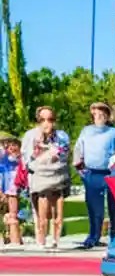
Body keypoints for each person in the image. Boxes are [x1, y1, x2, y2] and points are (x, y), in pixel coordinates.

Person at [73, 102, 115, 249]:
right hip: (92, 173)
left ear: (108, 115)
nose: (98, 115)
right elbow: (79, 148)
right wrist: (79, 166)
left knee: (114, 208)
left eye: (102, 112)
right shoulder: (86, 131)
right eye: (95, 113)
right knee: (94, 208)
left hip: (112, 174)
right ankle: (93, 236)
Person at [21, 106, 71, 250]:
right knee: (40, 212)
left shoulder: (61, 136)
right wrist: (37, 154)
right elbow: (27, 158)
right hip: (38, 178)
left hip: (57, 177)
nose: (46, 123)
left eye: (50, 119)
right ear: (38, 121)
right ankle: (41, 240)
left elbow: (64, 155)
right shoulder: (30, 135)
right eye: (43, 119)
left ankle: (55, 239)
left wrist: (52, 153)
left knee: (56, 211)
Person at [0, 135, 24, 248]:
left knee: (13, 216)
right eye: (8, 145)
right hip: (7, 187)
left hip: (14, 189)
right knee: (10, 216)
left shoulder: (18, 160)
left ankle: (15, 240)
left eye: (14, 145)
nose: (11, 147)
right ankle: (12, 238)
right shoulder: (4, 160)